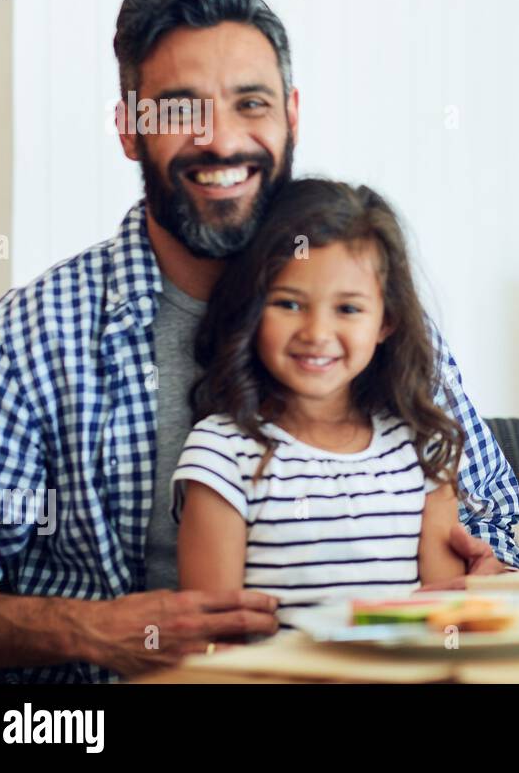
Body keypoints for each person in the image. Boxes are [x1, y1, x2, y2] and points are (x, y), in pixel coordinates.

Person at [0, 0, 519, 683]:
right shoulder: (29, 343)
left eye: (249, 103)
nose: (220, 139)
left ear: (290, 114)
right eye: (178, 109)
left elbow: (499, 517)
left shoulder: (379, 315)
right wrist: (90, 629)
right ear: (130, 130)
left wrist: (485, 565)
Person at [176, 179, 466, 624]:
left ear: (386, 321)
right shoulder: (222, 451)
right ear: (253, 308)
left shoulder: (423, 445)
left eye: (348, 309)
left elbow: (446, 620)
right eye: (289, 304)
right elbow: (213, 635)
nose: (316, 333)